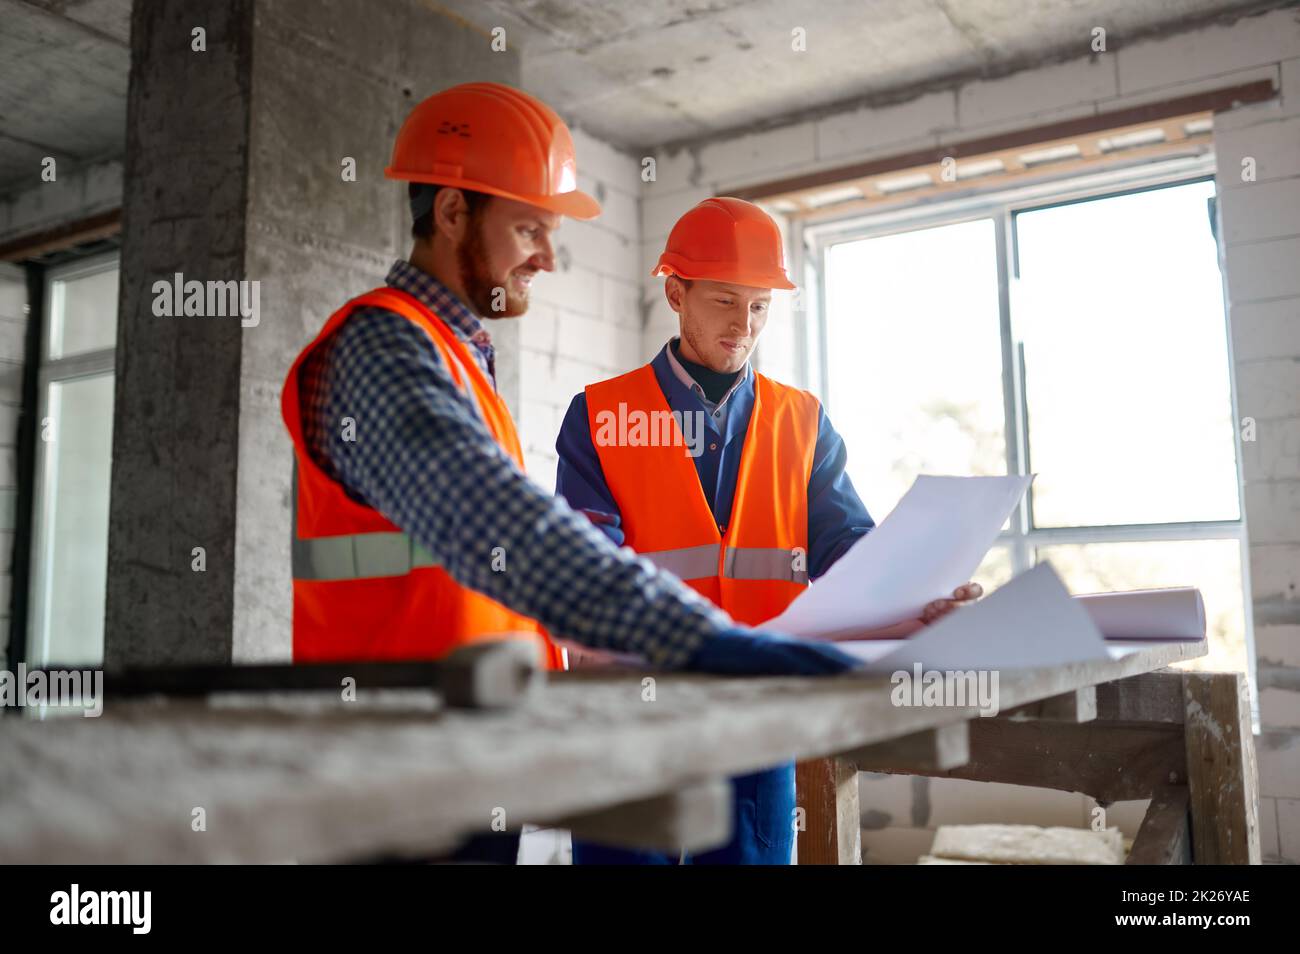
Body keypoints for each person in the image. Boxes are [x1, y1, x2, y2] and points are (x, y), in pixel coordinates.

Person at [279, 87, 858, 863]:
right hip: (396, 764)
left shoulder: (457, 360)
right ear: (452, 213)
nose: (549, 258)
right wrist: (715, 644)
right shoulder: (383, 352)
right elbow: (507, 531)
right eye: (529, 228)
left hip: (468, 753)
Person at [556, 197, 981, 864]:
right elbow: (585, 567)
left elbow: (847, 552)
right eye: (725, 301)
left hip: (757, 721)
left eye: (759, 306)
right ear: (675, 292)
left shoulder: (803, 420)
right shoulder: (601, 416)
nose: (743, 325)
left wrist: (919, 597)